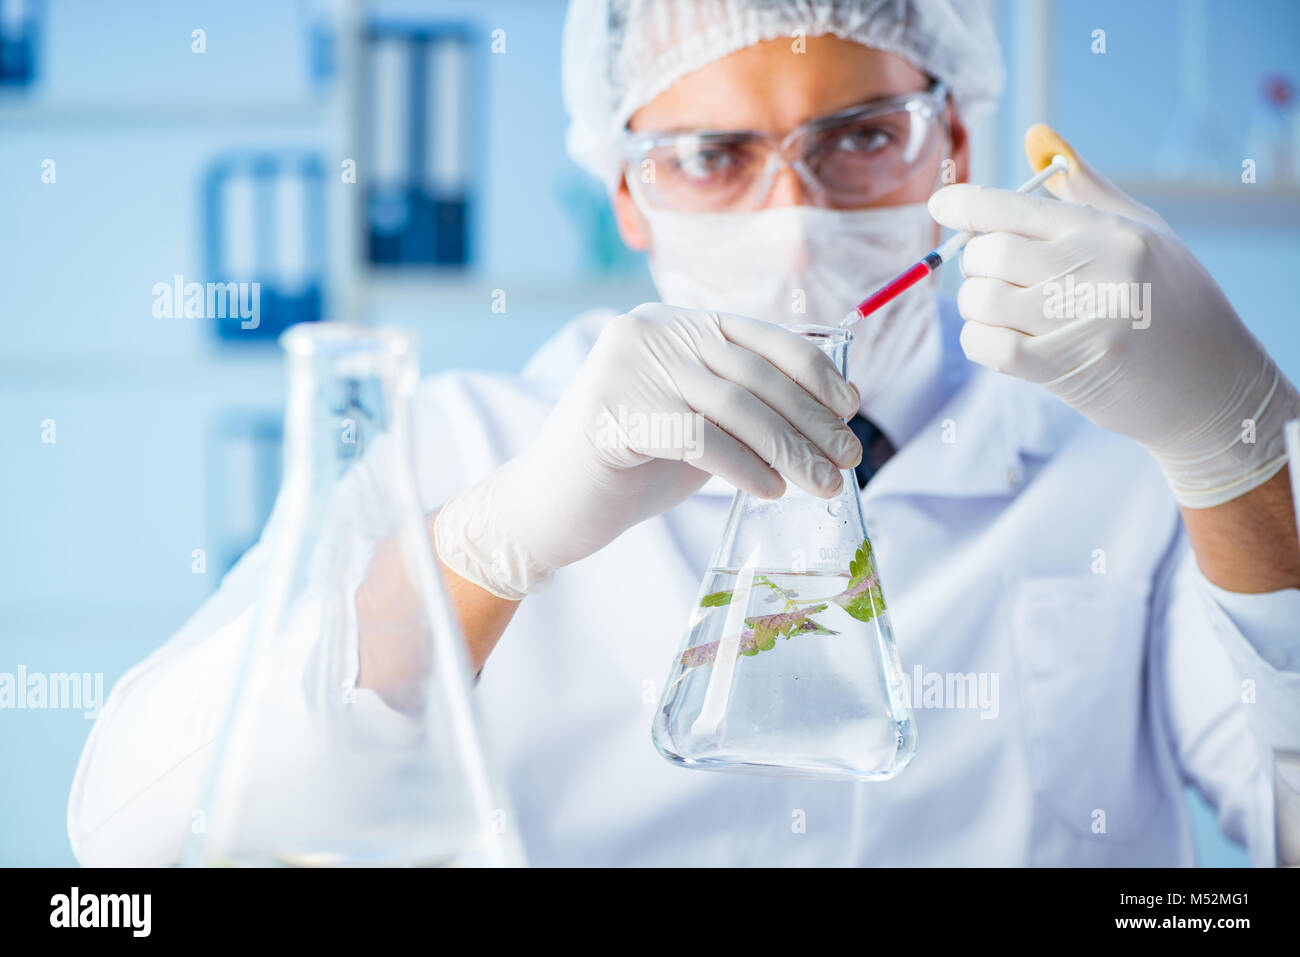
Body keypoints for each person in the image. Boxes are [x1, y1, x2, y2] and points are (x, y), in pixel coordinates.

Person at [69, 0, 1300, 867]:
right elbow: (132, 848)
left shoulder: (1116, 469)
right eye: (710, 156)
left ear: (954, 144)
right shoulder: (462, 449)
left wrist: (1236, 452)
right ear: (626, 192)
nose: (795, 215)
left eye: (861, 138)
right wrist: (489, 548)